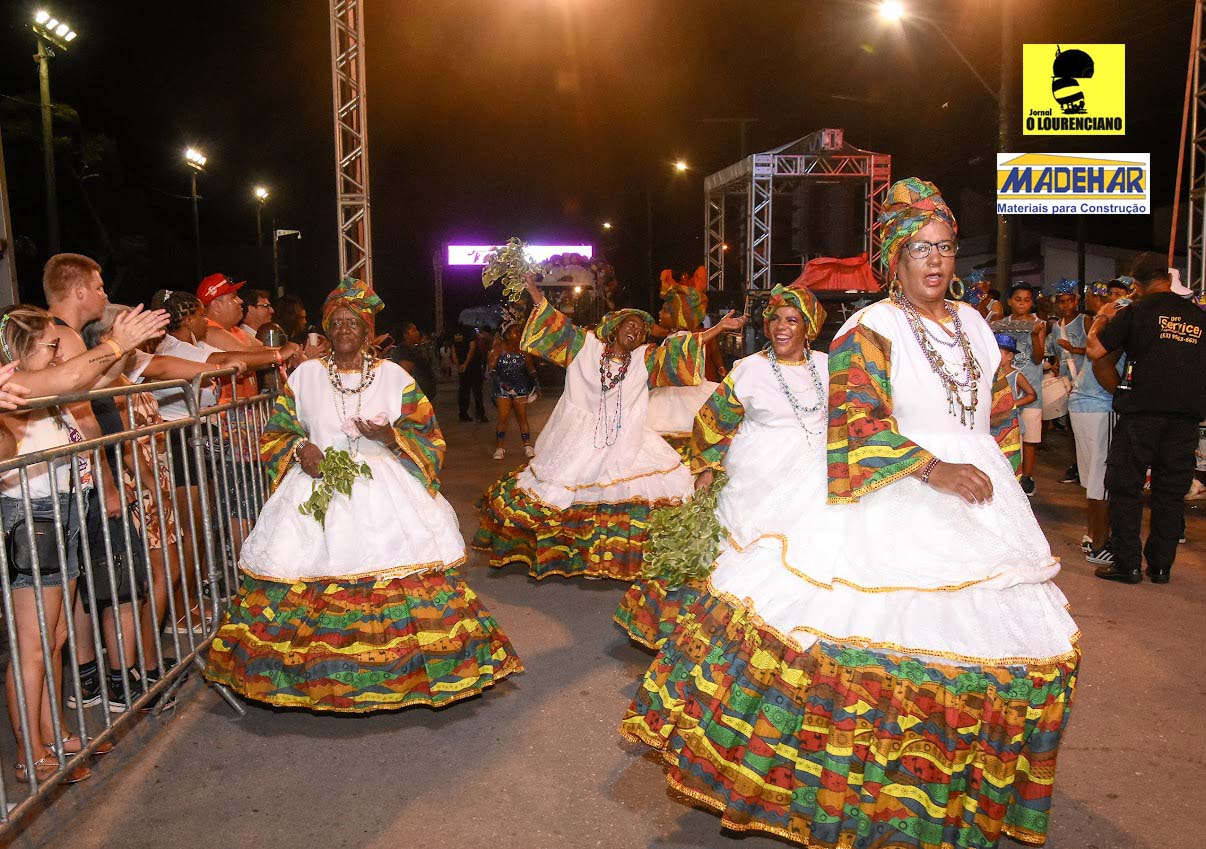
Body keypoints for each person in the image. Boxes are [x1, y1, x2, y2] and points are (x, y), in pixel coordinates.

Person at [621, 178, 1080, 849]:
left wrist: (1003, 478)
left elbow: (1002, 407)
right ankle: (871, 803)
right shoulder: (871, 328)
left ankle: (949, 799)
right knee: (873, 646)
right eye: (920, 247)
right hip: (898, 492)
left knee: (996, 648)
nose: (935, 259)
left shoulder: (977, 325)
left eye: (945, 247)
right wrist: (933, 468)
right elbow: (856, 420)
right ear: (894, 258)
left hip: (982, 507)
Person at [204, 277, 521, 711]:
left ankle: (403, 678)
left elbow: (428, 435)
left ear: (368, 330)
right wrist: (300, 448)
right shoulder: (305, 376)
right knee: (303, 568)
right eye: (336, 322)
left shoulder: (394, 377)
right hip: (316, 490)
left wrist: (391, 437)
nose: (344, 329)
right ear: (326, 329)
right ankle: (310, 681)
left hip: (384, 492)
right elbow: (278, 431)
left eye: (353, 322)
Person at [474, 275, 744, 581]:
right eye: (631, 324)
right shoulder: (586, 347)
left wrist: (718, 328)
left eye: (641, 330)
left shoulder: (643, 360)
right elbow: (556, 325)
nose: (636, 331)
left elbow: (679, 349)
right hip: (580, 439)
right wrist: (534, 291)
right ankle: (576, 556)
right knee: (563, 493)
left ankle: (611, 559)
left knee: (642, 491)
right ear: (615, 327)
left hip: (627, 441)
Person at [614, 281, 831, 649]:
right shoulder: (749, 369)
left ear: (808, 327)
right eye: (775, 319)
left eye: (792, 320)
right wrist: (706, 468)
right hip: (757, 477)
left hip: (814, 479)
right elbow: (712, 420)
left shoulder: (828, 367)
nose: (781, 327)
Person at [1087, 252, 1206, 584]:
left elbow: (1096, 350)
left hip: (1142, 414)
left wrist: (1102, 316)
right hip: (1185, 418)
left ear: (1137, 284)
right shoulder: (1198, 317)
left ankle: (1127, 564)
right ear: (1167, 278)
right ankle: (1161, 566)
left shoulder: (1136, 311)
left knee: (1126, 487)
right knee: (1170, 492)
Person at [1070, 281, 1125, 565]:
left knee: (1093, 480)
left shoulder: (1102, 323)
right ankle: (1101, 545)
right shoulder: (1113, 326)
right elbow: (1101, 364)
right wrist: (1125, 399)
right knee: (1102, 481)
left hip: (1082, 404)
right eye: (1113, 295)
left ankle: (1093, 536)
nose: (1116, 300)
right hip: (1100, 406)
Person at [645, 273, 718, 455]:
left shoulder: (680, 339)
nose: (660, 313)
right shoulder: (679, 337)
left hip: (675, 398)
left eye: (665, 310)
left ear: (679, 314)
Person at [993, 283, 1046, 495]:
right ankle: (1006, 474)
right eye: (1017, 299)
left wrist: (1034, 336)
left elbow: (1038, 358)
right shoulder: (1000, 324)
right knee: (1003, 433)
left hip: (1029, 384)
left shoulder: (1038, 324)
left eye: (1026, 300)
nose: (1022, 303)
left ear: (1032, 302)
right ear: (1009, 301)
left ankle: (1027, 477)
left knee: (1029, 437)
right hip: (1004, 389)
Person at [1045, 278, 1086, 483]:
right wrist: (1054, 367)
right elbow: (1054, 354)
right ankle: (1076, 465)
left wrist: (1074, 349)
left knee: (1084, 425)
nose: (1066, 305)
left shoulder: (1085, 321)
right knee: (1070, 426)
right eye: (1062, 302)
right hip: (1065, 381)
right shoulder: (1056, 327)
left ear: (1076, 301)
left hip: (1085, 379)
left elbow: (1095, 349)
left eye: (1069, 301)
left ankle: (1086, 465)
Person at [486, 321, 537, 460]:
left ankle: (527, 445)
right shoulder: (497, 349)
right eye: (515, 332)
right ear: (507, 334)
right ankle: (500, 448)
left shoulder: (523, 350)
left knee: (522, 417)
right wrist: (503, 385)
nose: (518, 334)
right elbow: (492, 371)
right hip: (502, 390)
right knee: (503, 418)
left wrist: (536, 385)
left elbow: (531, 369)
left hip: (520, 387)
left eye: (519, 332)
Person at [390, 321, 438, 401]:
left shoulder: (412, 349)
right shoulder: (405, 350)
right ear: (406, 335)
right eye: (414, 330)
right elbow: (405, 373)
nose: (417, 333)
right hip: (416, 398)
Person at [453, 326, 487, 422]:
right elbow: (472, 348)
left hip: (462, 365)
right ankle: (480, 414)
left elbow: (453, 350)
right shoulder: (470, 332)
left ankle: (463, 413)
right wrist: (466, 363)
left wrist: (459, 365)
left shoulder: (455, 333)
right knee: (477, 390)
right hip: (474, 365)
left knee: (463, 389)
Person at [998, 331, 1038, 408]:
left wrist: (1012, 405)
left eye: (998, 353)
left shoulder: (1016, 376)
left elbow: (1032, 395)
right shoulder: (992, 374)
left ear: (1010, 356)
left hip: (1010, 414)